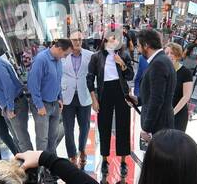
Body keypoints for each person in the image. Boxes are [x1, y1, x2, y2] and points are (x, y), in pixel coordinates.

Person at [87, 30, 134, 174]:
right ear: (105, 40)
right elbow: (90, 78)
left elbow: (130, 75)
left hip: (121, 91)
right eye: (112, 39)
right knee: (104, 125)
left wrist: (122, 64)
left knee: (123, 125)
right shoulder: (96, 57)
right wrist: (94, 99)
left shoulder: (124, 55)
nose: (115, 41)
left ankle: (123, 161)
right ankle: (104, 158)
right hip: (104, 92)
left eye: (117, 39)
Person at [28, 39, 69, 182]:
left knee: (52, 138)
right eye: (65, 54)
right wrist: (39, 106)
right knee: (42, 139)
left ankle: (51, 167)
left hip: (54, 104)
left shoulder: (58, 61)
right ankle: (40, 171)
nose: (65, 57)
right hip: (42, 106)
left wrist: (60, 98)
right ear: (58, 48)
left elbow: (57, 81)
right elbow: (33, 84)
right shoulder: (41, 60)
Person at [0, 42, 31, 157]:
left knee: (22, 140)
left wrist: (10, 108)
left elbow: (9, 87)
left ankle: (34, 169)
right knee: (17, 139)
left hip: (15, 105)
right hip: (9, 106)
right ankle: (27, 166)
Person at [59, 31, 93, 167]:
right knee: (68, 128)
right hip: (67, 96)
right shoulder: (63, 56)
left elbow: (93, 75)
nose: (77, 42)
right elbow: (58, 75)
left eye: (79, 39)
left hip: (84, 96)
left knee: (84, 127)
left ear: (82, 40)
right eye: (74, 40)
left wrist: (94, 94)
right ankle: (72, 155)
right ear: (70, 40)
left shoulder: (90, 56)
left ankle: (82, 149)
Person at [137, 28, 175, 141]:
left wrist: (146, 128)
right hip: (161, 124)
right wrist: (138, 100)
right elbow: (154, 92)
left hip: (158, 127)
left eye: (139, 46)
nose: (138, 50)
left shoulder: (158, 63)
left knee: (157, 158)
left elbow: (157, 99)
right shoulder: (162, 60)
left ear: (146, 45)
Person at [167, 42, 195, 132]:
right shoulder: (162, 70)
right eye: (166, 53)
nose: (169, 56)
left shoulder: (185, 72)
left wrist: (172, 113)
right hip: (162, 114)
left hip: (178, 115)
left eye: (172, 53)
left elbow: (186, 96)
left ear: (178, 56)